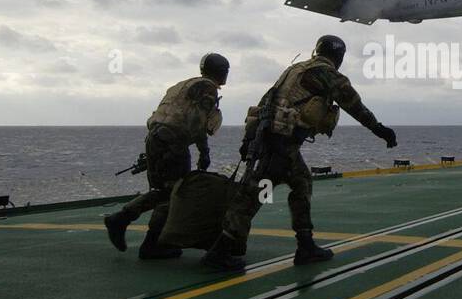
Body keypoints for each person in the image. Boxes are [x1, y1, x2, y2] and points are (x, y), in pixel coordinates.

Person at [201, 35, 396, 270]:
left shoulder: (293, 69)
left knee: (298, 184)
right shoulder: (327, 74)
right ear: (340, 57)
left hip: (273, 142)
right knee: (254, 196)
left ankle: (305, 245)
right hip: (281, 145)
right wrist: (381, 130)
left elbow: (264, 102)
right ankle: (221, 251)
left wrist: (248, 139)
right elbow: (354, 105)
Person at [104, 52, 229, 259]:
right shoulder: (207, 88)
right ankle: (150, 242)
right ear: (221, 71)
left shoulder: (183, 85)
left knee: (162, 191)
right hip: (173, 142)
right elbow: (196, 122)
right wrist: (204, 152)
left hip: (155, 138)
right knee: (175, 192)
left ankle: (125, 221)